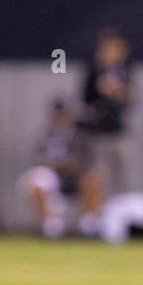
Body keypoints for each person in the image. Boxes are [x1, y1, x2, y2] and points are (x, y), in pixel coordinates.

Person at [20, 99, 99, 238]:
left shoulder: (79, 135)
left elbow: (85, 159)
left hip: (74, 177)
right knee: (36, 182)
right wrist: (50, 165)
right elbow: (37, 158)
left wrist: (69, 165)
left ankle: (90, 225)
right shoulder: (45, 135)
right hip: (51, 176)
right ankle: (50, 227)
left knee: (91, 178)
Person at [80, 27, 133, 199]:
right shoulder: (94, 70)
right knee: (98, 173)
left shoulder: (124, 70)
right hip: (98, 131)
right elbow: (85, 97)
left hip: (117, 129)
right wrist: (103, 89)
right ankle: (98, 213)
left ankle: (121, 210)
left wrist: (116, 91)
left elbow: (129, 98)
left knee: (122, 173)